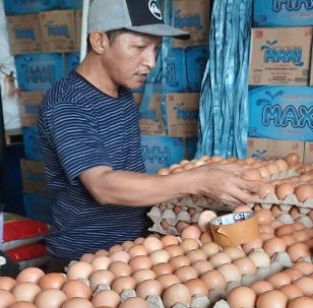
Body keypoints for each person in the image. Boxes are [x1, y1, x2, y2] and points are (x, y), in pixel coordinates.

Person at [37, 0, 258, 272]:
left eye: (155, 48)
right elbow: (103, 186)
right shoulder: (68, 103)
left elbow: (124, 170)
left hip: (134, 248)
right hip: (87, 260)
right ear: (100, 41)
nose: (151, 62)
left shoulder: (121, 94)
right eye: (140, 47)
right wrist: (197, 180)